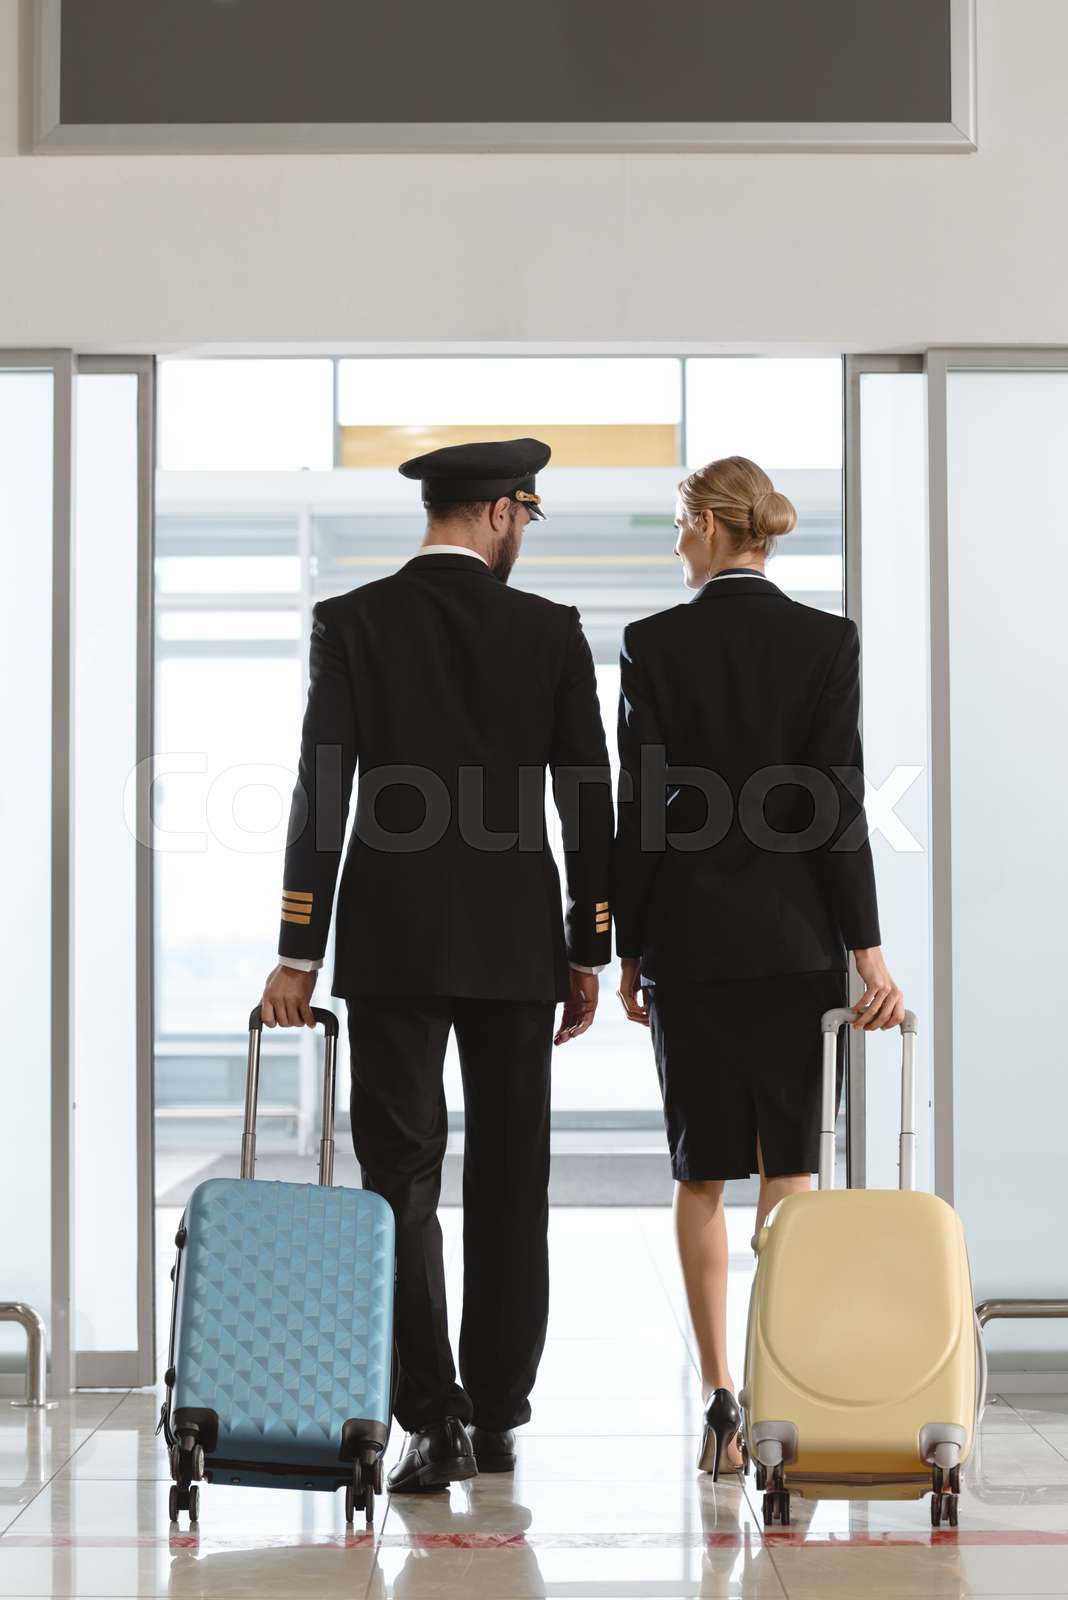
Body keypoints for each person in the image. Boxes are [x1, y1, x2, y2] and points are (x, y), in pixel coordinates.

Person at [258, 437, 613, 1493]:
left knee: (401, 1179)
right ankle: (498, 1410)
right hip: (517, 947)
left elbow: (321, 794)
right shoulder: (549, 630)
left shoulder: (352, 622)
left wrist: (298, 951)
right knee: (511, 1177)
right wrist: (587, 943)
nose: (521, 535)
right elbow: (588, 800)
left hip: (392, 947)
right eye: (524, 519)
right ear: (502, 512)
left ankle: (435, 1419)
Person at [613, 454, 904, 1480]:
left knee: (700, 1173)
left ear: (706, 524)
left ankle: (720, 1395)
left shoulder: (653, 642)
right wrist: (866, 949)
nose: (675, 544)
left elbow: (642, 808)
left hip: (691, 946)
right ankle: (779, 1392)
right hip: (795, 947)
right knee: (791, 1167)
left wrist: (629, 946)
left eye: (676, 525)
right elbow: (838, 805)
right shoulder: (826, 640)